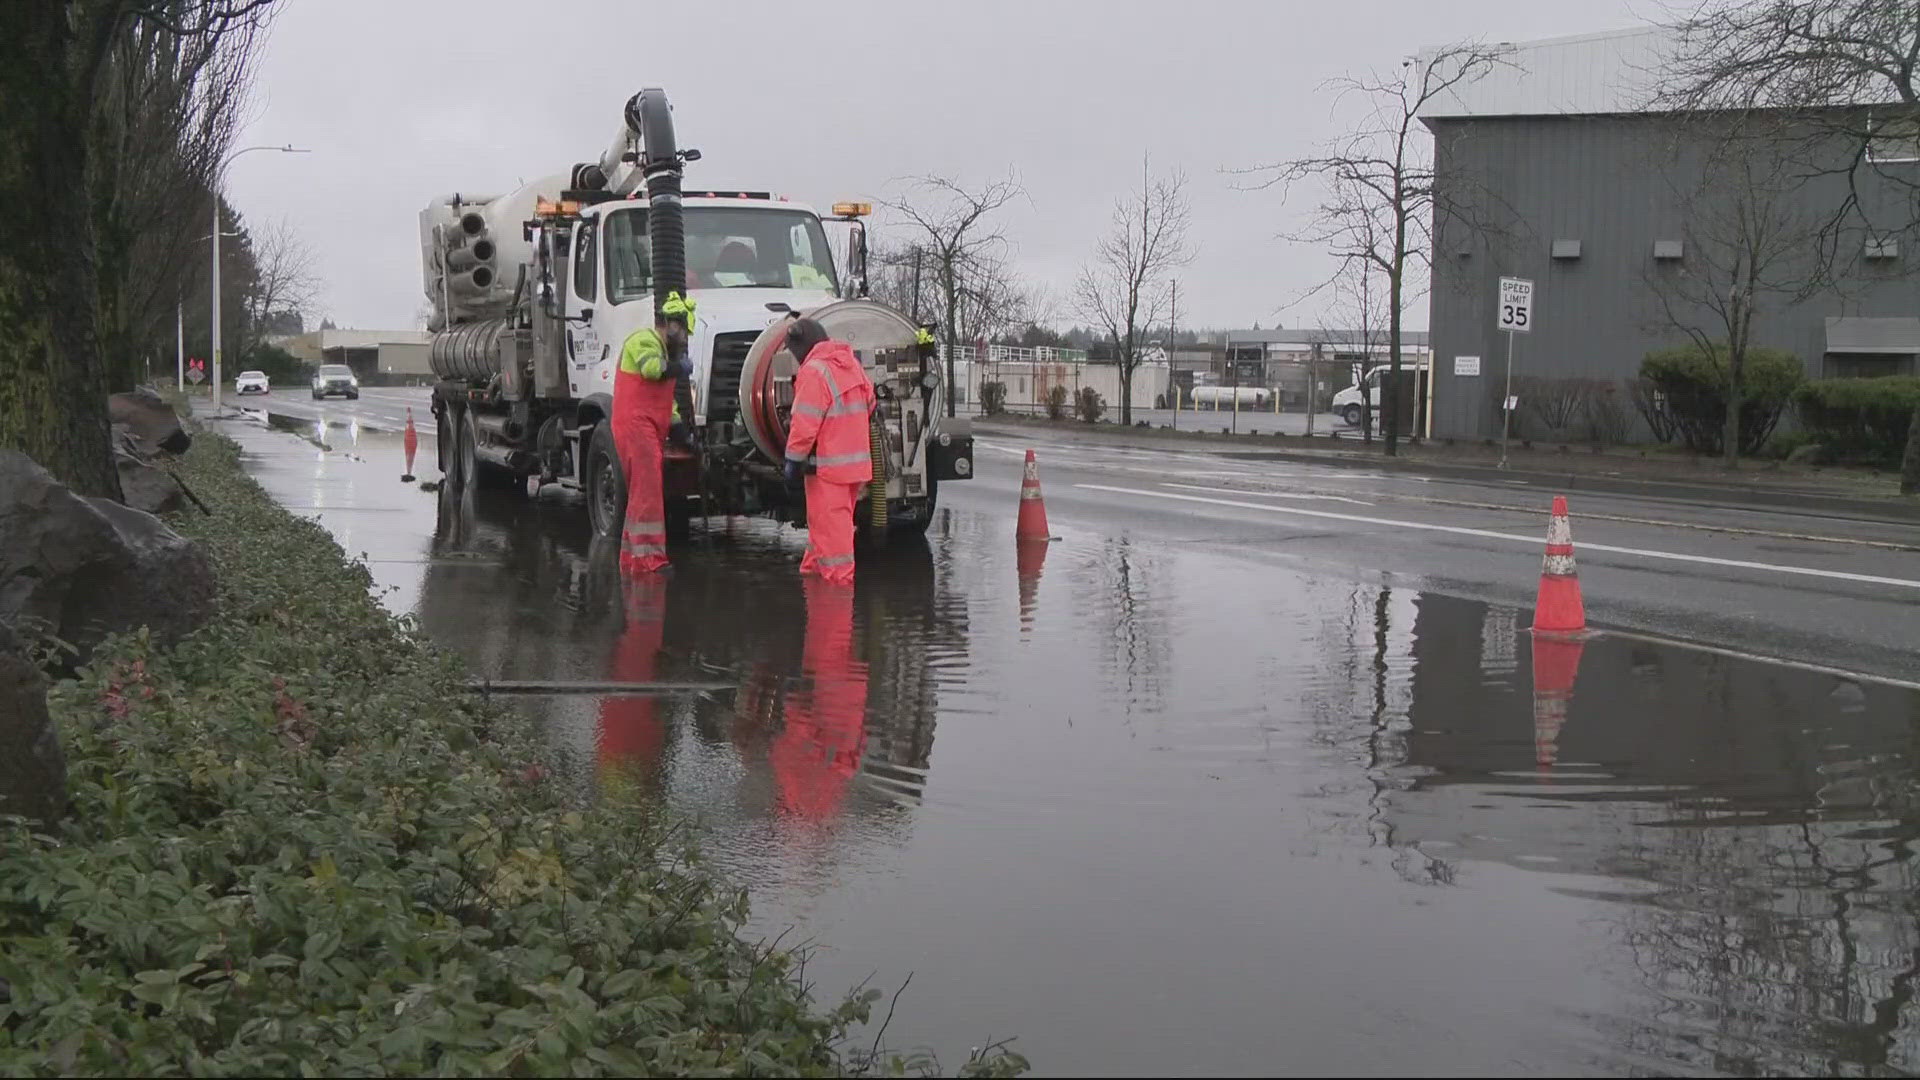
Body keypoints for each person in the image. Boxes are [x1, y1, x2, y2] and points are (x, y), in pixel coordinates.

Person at [782, 317, 875, 585]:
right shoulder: (850, 364)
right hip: (854, 467)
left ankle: (834, 614)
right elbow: (870, 405)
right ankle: (811, 582)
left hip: (828, 470)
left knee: (837, 558)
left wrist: (792, 461)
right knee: (824, 533)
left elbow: (804, 425)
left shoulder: (814, 371)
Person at [613, 291, 695, 574]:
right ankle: (648, 561)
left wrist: (682, 432)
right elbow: (652, 370)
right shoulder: (645, 341)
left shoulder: (663, 351)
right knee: (647, 493)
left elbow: (665, 404)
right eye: (683, 332)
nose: (684, 340)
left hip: (647, 427)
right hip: (636, 427)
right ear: (670, 324)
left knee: (642, 492)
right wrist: (679, 368)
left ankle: (632, 557)